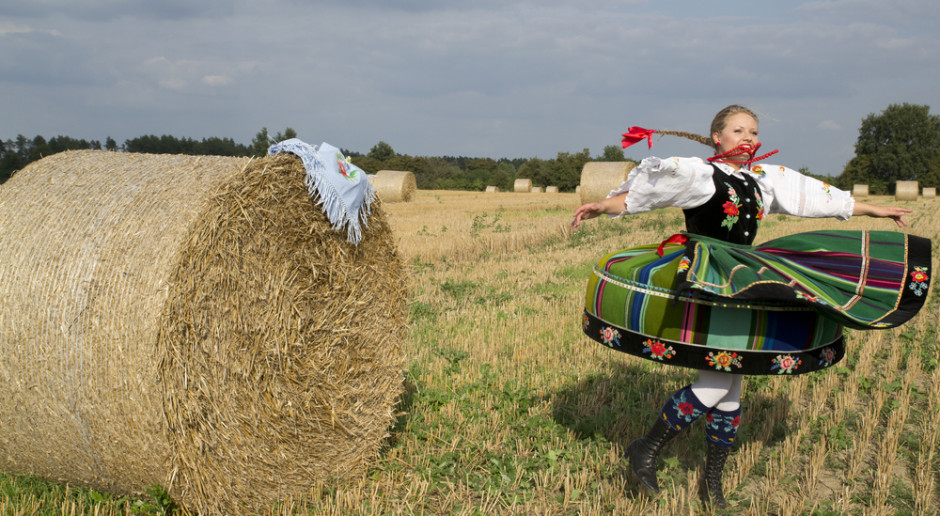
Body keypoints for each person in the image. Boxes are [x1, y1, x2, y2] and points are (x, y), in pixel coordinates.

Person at [570, 105, 932, 507]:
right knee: (717, 381)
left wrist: (874, 209)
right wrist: (601, 205)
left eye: (753, 132)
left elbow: (815, 197)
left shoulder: (763, 181)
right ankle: (646, 447)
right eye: (738, 130)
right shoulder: (700, 175)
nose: (748, 137)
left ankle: (712, 482)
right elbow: (645, 195)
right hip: (708, 277)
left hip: (742, 279)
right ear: (717, 137)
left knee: (730, 387)